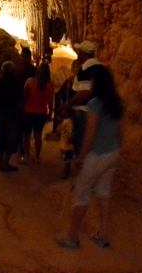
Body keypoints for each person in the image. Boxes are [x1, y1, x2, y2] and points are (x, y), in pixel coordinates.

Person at [57, 65, 123, 249]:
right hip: (112, 153)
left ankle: (71, 238)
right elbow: (121, 132)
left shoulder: (95, 105)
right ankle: (103, 234)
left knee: (81, 196)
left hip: (96, 156)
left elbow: (90, 135)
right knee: (104, 194)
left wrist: (80, 160)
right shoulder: (118, 103)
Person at [0, 61, 24, 172]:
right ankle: (5, 162)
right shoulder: (16, 84)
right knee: (11, 138)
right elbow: (20, 103)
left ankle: (0, 161)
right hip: (12, 114)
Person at [21, 62, 55, 164]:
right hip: (41, 113)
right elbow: (50, 102)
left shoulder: (30, 82)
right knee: (37, 135)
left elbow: (25, 97)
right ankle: (37, 157)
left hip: (29, 111)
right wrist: (50, 114)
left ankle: (27, 156)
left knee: (26, 135)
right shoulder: (50, 85)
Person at [56, 115, 75, 180]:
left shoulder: (69, 121)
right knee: (65, 160)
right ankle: (67, 171)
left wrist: (69, 140)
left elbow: (70, 133)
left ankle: (67, 172)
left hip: (67, 146)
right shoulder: (64, 120)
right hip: (64, 144)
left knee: (67, 160)